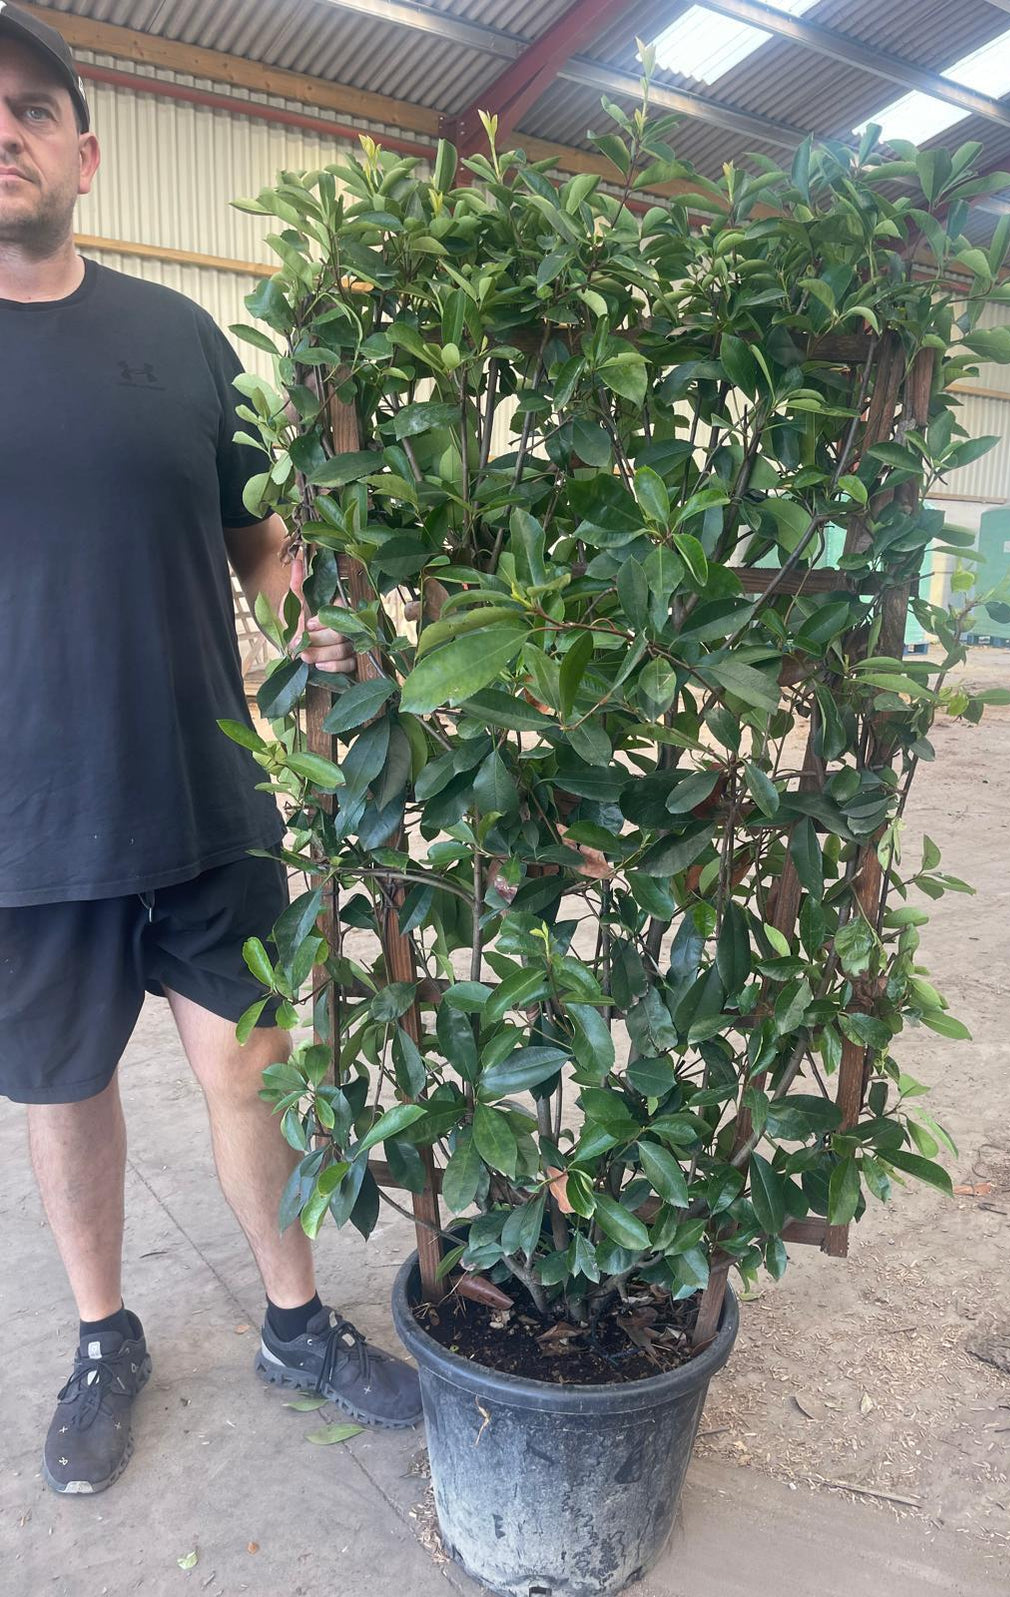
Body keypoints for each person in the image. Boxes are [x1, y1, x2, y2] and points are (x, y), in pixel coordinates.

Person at [0, 5, 421, 1496]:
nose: (6, 130)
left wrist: (322, 626)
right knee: (64, 1089)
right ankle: (103, 1334)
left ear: (85, 153)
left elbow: (264, 544)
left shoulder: (183, 340)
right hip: (22, 822)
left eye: (32, 109)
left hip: (205, 785)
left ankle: (294, 1320)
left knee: (251, 1075)